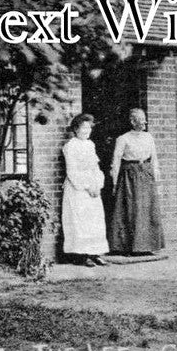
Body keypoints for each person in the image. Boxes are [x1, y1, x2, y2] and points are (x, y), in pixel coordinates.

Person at [108, 108, 164, 255]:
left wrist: (157, 180)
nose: (144, 122)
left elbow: (154, 159)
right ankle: (129, 247)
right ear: (132, 121)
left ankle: (146, 246)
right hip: (130, 176)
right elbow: (116, 161)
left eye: (144, 119)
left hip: (146, 174)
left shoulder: (148, 137)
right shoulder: (123, 139)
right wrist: (115, 182)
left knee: (147, 209)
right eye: (140, 119)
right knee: (132, 209)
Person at [62, 113, 109, 267]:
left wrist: (97, 184)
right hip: (78, 189)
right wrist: (87, 186)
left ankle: (95, 253)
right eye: (83, 128)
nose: (87, 131)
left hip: (93, 188)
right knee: (80, 221)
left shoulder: (90, 145)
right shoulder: (70, 146)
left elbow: (95, 167)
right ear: (76, 129)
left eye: (89, 128)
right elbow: (72, 171)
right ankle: (81, 256)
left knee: (95, 221)